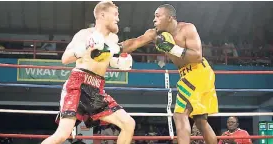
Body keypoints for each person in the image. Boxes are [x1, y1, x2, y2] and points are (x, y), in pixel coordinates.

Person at [120, 4, 218, 144]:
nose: (154, 20)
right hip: (193, 75)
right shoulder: (155, 34)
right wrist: (113, 48)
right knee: (200, 121)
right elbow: (135, 42)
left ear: (170, 17)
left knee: (179, 115)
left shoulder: (187, 29)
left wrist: (172, 48)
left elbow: (197, 56)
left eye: (158, 16)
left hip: (197, 71)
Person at [41, 1, 135, 144]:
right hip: (78, 85)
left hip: (97, 88)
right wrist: (86, 46)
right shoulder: (85, 34)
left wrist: (119, 63)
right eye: (115, 14)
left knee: (128, 124)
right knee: (62, 135)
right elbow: (65, 59)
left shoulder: (113, 39)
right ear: (103, 15)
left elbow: (104, 60)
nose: (118, 19)